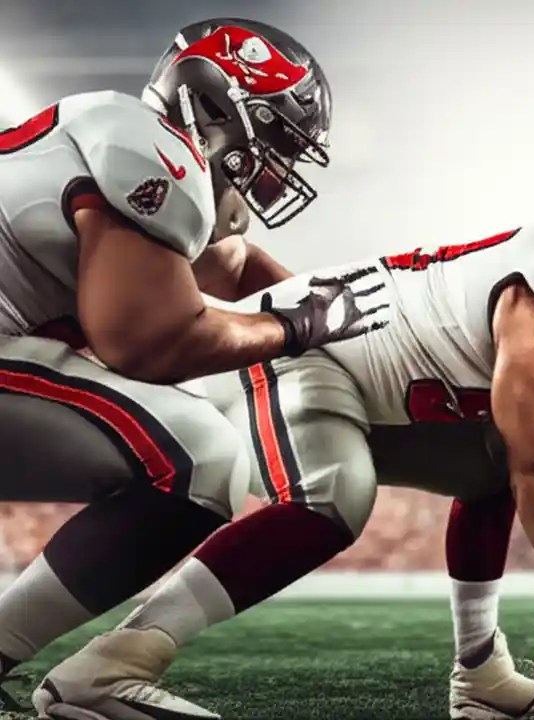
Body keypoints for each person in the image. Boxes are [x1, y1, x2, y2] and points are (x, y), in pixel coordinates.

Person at [34, 181, 534, 720]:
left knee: (489, 463)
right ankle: (109, 666)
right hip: (296, 348)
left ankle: (481, 676)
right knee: (337, 493)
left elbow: (517, 461)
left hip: (351, 369)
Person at [0, 17, 384, 712]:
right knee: (199, 457)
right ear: (212, 107)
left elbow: (236, 270)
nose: (278, 162)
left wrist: (338, 326)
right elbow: (145, 344)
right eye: (273, 136)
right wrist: (291, 330)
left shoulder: (125, 140)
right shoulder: (153, 151)